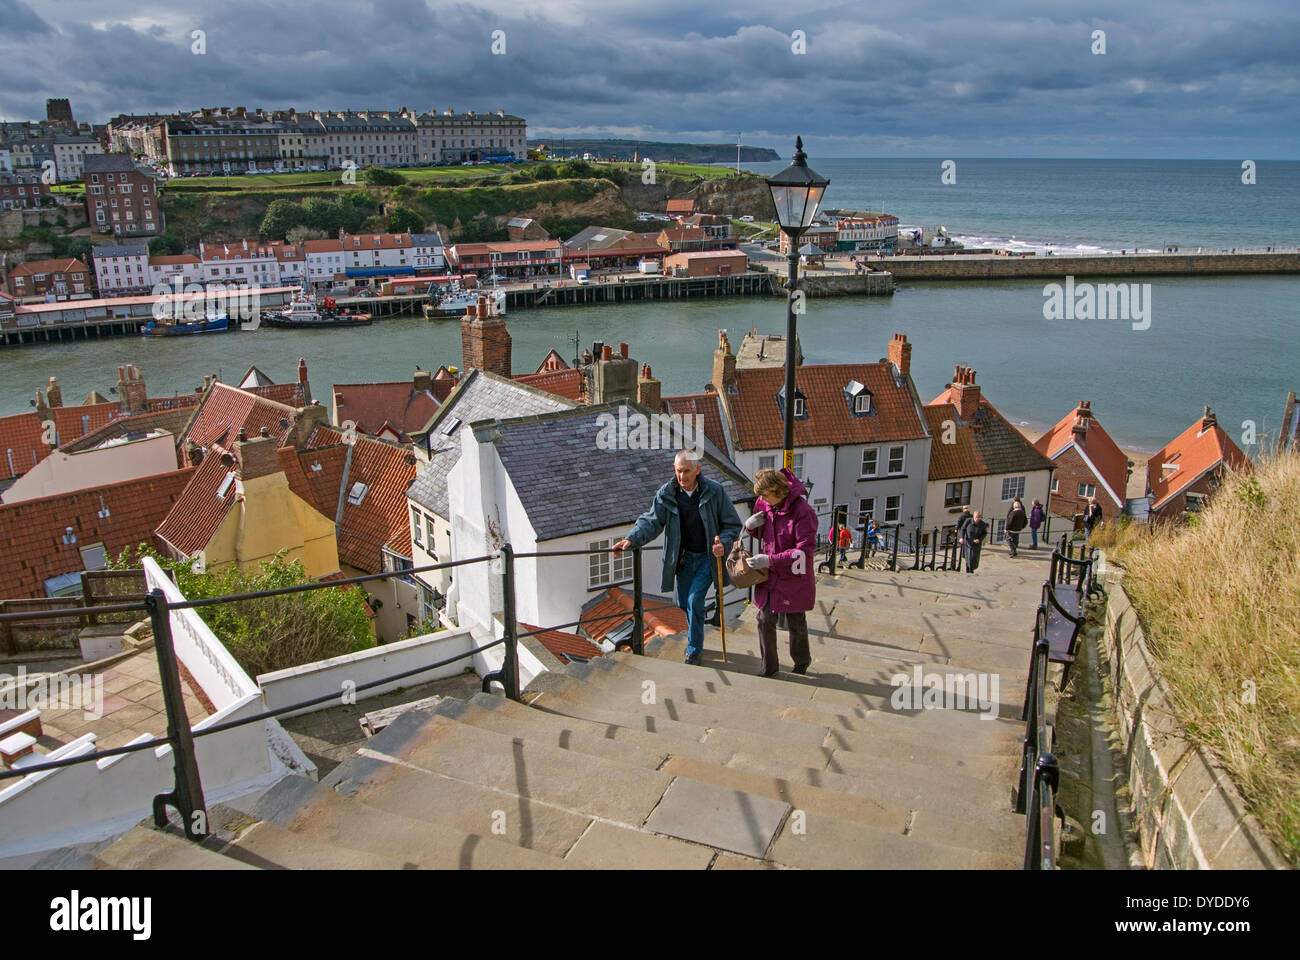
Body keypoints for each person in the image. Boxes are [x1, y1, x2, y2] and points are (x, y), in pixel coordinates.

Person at [613, 450, 743, 666]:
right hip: (682, 559)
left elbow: (732, 525)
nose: (682, 476)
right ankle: (696, 635)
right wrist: (631, 540)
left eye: (686, 471)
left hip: (707, 558)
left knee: (695, 600)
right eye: (678, 471)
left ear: (697, 470)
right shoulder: (667, 493)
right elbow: (651, 521)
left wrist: (724, 543)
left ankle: (693, 650)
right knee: (684, 603)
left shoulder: (715, 491)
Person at [746, 468, 817, 677]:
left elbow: (803, 551)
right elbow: (764, 533)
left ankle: (801, 662)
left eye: (766, 496)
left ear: (778, 491)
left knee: (795, 621)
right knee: (764, 619)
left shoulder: (803, 511)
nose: (762, 501)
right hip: (770, 575)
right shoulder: (765, 502)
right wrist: (750, 527)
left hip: (793, 576)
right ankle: (769, 667)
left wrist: (769, 560)